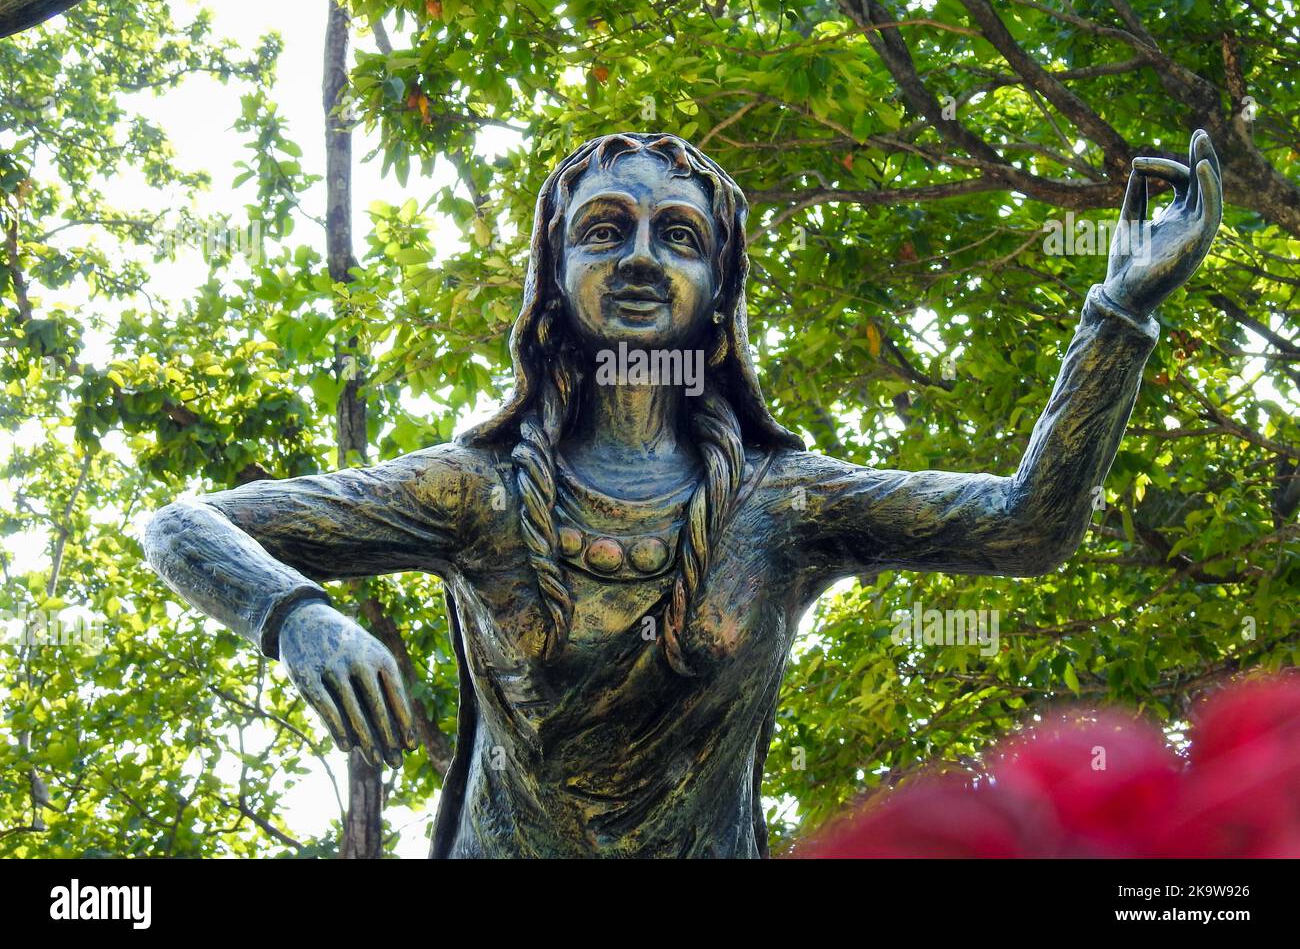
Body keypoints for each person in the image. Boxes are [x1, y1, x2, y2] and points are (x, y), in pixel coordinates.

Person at [144, 130, 1223, 858]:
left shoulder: (786, 504)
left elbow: (1025, 524)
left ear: (718, 296)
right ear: (554, 280)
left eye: (681, 238)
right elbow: (182, 523)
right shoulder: (469, 494)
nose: (642, 259)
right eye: (605, 231)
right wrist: (296, 618)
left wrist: (1116, 313)